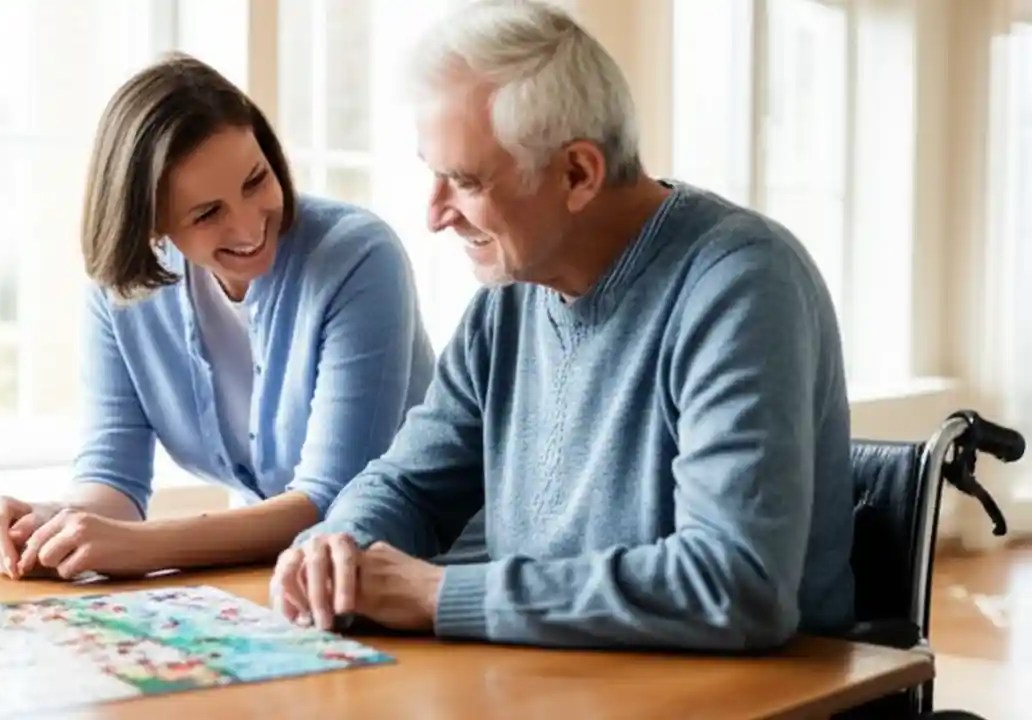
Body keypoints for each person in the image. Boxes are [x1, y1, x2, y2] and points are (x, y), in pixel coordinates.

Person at [270, 0, 856, 651]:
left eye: (462, 181)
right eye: (432, 174)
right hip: (561, 682)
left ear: (578, 172)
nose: (435, 214)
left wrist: (436, 594)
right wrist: (336, 549)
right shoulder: (510, 295)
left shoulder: (741, 283)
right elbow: (407, 484)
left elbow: (734, 585)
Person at [0, 53, 436, 581]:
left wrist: (139, 546)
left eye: (256, 180)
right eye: (207, 213)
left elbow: (333, 502)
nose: (248, 226)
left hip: (417, 571)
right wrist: (51, 526)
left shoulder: (358, 259)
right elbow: (113, 478)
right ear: (152, 224)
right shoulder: (125, 289)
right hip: (281, 581)